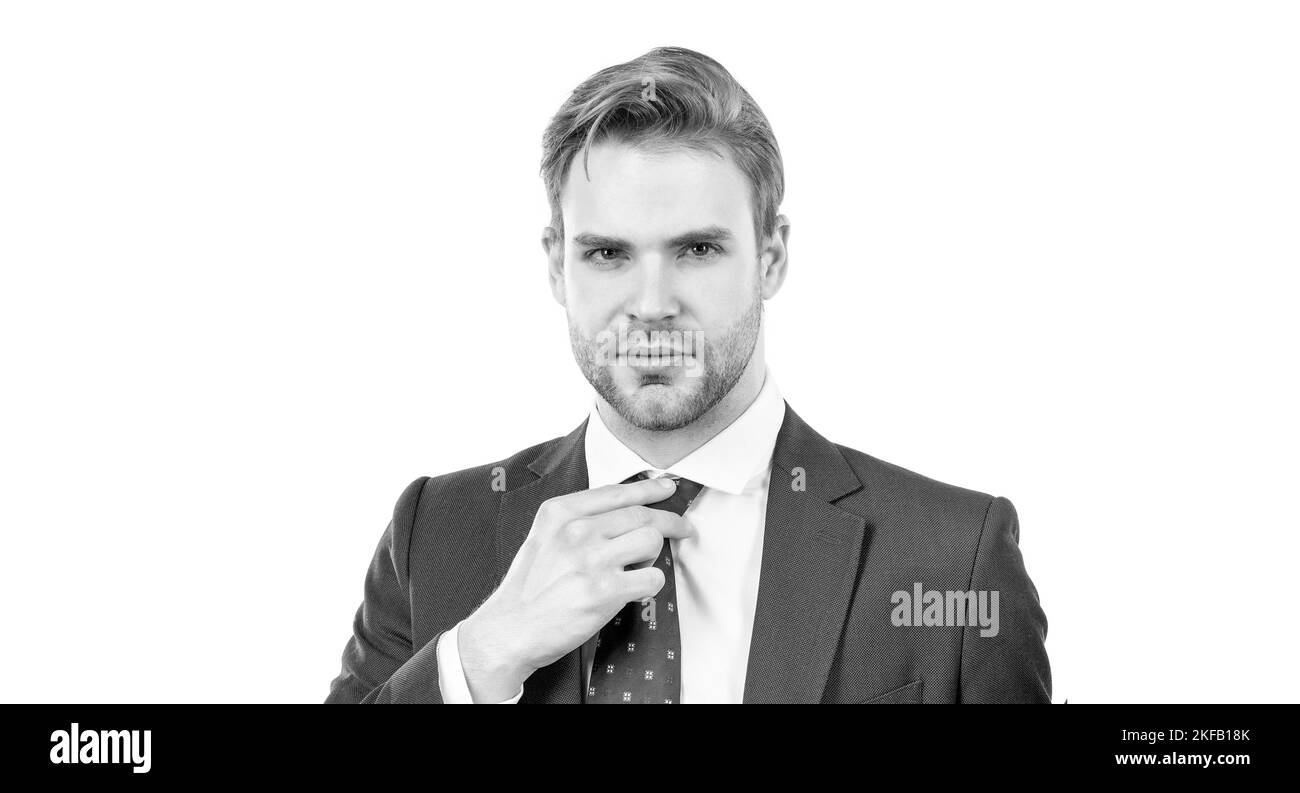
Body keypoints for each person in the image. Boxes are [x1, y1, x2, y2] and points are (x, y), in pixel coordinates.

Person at [325, 46, 1051, 704]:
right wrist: (480, 655)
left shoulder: (952, 560)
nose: (651, 305)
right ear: (556, 263)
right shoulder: (434, 535)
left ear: (771, 256)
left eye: (698, 249)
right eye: (608, 254)